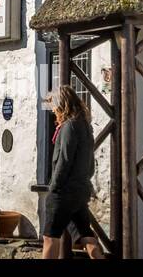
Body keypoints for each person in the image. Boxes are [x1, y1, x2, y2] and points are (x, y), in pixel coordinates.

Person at [42, 84, 105, 259]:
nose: (53, 110)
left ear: (62, 104)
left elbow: (64, 160)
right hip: (80, 191)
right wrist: (83, 181)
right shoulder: (85, 125)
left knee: (49, 238)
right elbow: (90, 164)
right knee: (87, 237)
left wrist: (54, 187)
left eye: (54, 105)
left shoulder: (69, 127)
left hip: (64, 193)